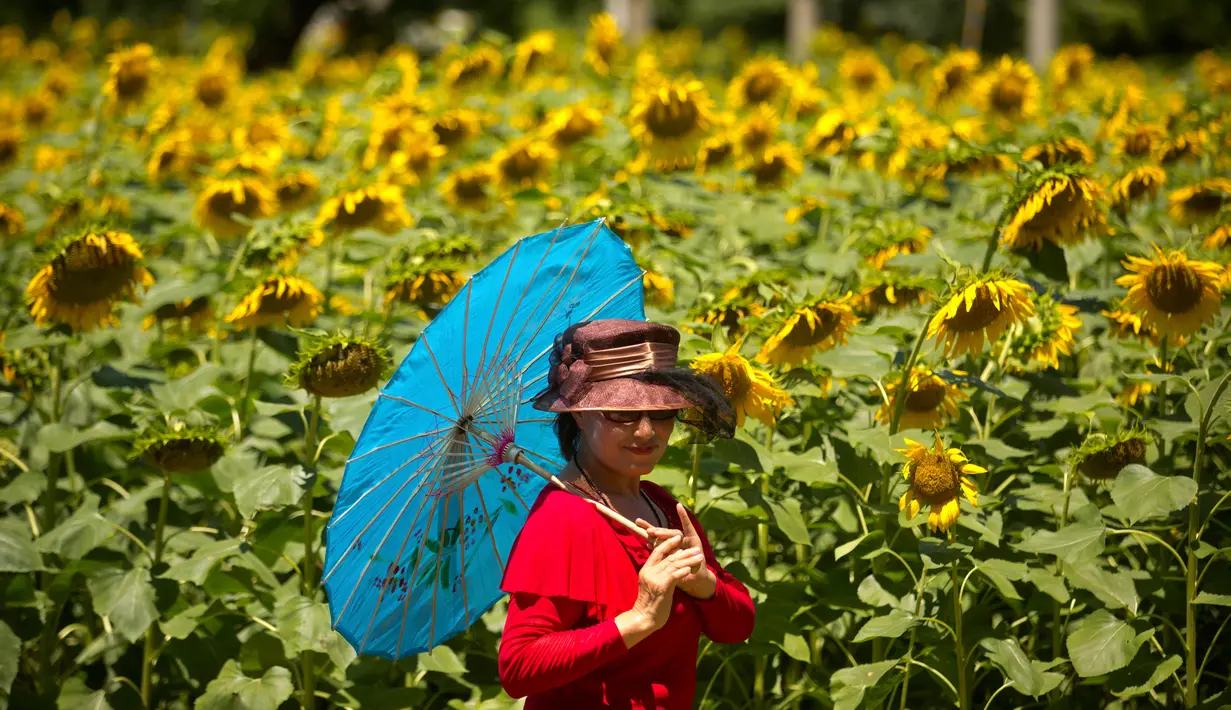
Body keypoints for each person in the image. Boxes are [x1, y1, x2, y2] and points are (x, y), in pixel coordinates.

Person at [497, 318, 756, 709]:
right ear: (579, 413)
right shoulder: (563, 517)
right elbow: (519, 667)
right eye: (623, 413)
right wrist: (638, 619)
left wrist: (704, 584)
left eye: (662, 412)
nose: (647, 432)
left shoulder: (664, 507)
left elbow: (737, 627)